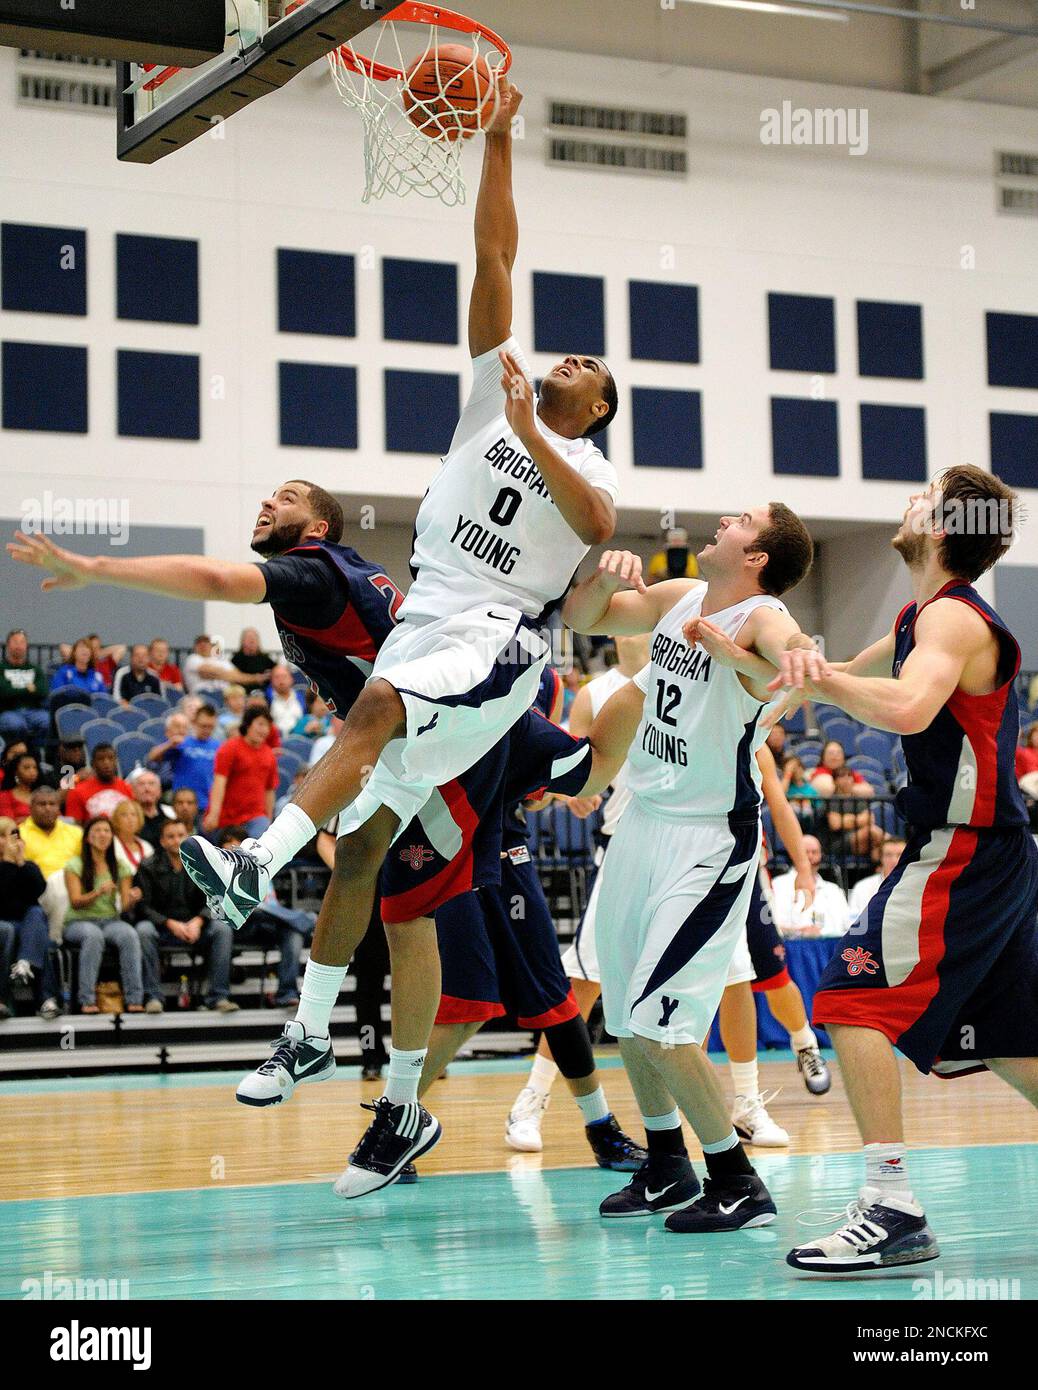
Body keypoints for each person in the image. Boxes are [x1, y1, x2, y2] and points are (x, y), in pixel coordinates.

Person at [782, 465, 1038, 1273]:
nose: (908, 501)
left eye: (924, 495)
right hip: (989, 852)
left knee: (850, 995)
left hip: (961, 850)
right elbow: (841, 677)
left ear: (941, 528)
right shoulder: (917, 617)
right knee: (1008, 1041)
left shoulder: (955, 623)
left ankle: (890, 1204)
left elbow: (905, 706)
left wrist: (814, 676)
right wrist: (753, 674)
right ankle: (891, 1204)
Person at [559, 507, 818, 1233]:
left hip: (708, 839)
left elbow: (787, 647)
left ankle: (738, 1181)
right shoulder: (679, 598)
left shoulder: (762, 613)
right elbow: (586, 615)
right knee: (628, 1021)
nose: (722, 520)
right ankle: (667, 1165)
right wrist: (597, 571)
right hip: (643, 821)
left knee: (664, 1026)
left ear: (758, 556)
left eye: (742, 520)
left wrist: (780, 654)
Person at [403, 669, 645, 1176]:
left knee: (554, 997)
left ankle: (601, 1129)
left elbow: (534, 779)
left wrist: (556, 791)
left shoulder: (544, 678)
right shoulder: (452, 661)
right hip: (447, 844)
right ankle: (395, 1120)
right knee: (467, 1002)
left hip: (507, 845)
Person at [507, 633, 647, 1150]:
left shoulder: (690, 677)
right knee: (584, 979)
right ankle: (532, 1099)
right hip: (622, 845)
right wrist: (572, 796)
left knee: (686, 987)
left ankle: (692, 1117)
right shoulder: (597, 692)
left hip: (685, 847)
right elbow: (568, 771)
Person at [134, 818, 237, 1014]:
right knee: (143, 931)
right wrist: (169, 923)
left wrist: (199, 921)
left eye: (181, 835)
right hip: (163, 927)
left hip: (195, 925)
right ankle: (153, 997)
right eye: (170, 837)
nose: (176, 840)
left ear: (188, 837)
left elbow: (215, 896)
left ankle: (219, 996)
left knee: (222, 929)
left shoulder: (203, 864)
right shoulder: (148, 866)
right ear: (162, 842)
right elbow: (143, 907)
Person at [218, 826, 313, 1008]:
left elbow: (272, 905)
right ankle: (301, 919)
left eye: (237, 844)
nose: (233, 847)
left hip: (267, 923)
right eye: (228, 843)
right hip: (238, 925)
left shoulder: (261, 870)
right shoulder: (218, 870)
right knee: (255, 908)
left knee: (292, 933)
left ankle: (287, 993)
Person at [63, 815, 143, 1014]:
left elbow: (123, 906)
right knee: (93, 936)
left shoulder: (120, 866)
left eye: (106, 831)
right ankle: (87, 999)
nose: (102, 835)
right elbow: (75, 901)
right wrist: (98, 892)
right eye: (97, 831)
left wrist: (132, 899)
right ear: (88, 838)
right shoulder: (75, 865)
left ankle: (134, 998)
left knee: (129, 935)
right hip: (78, 921)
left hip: (109, 920)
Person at [0, 818, 59, 1020]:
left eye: (14, 836)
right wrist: (8, 863)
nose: (10, 842)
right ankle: (46, 1000)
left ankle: (25, 963)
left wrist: (21, 862)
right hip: (4, 922)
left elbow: (37, 891)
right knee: (31, 935)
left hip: (25, 924)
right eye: (4, 836)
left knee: (36, 913)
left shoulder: (27, 866)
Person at [204, 708, 278, 838]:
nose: (264, 730)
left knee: (256, 851)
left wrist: (269, 819)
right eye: (260, 724)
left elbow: (270, 790)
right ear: (248, 724)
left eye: (267, 726)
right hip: (227, 819)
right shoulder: (229, 748)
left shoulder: (269, 755)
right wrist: (214, 814)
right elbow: (219, 783)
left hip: (256, 817)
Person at [769, 834, 852, 937]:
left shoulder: (833, 890)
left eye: (815, 852)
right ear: (794, 854)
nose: (810, 856)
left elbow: (849, 926)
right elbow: (770, 926)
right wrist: (799, 931)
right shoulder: (778, 885)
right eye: (805, 852)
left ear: (821, 855)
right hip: (791, 948)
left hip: (829, 948)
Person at [166, 704, 221, 814]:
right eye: (203, 726)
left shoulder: (219, 747)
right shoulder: (182, 742)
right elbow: (152, 758)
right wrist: (169, 744)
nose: (207, 730)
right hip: (183, 804)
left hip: (207, 804)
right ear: (194, 722)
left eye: (210, 727)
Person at [20, 785, 82, 880]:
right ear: (30, 808)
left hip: (71, 889)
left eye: (52, 804)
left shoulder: (76, 833)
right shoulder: (18, 835)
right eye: (42, 804)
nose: (47, 808)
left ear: (58, 808)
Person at [0, 629, 49, 748]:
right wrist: (28, 688)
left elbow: (43, 691)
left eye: (22, 642)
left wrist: (15, 688)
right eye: (15, 641)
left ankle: (35, 752)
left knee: (46, 720)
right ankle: (14, 753)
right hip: (8, 711)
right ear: (8, 645)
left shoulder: (35, 669)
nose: (18, 645)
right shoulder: (2, 668)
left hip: (33, 711)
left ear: (26, 646)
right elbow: (4, 692)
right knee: (17, 724)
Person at [64, 744, 135, 824]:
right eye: (101, 759)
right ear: (93, 764)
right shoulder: (77, 792)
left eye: (111, 758)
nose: (106, 763)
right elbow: (73, 828)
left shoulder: (127, 788)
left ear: (116, 762)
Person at [826, 764, 884, 861]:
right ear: (835, 781)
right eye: (842, 776)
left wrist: (846, 819)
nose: (847, 779)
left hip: (860, 840)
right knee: (872, 831)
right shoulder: (831, 800)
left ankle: (881, 866)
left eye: (849, 776)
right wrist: (860, 819)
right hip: (838, 842)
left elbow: (870, 819)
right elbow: (836, 824)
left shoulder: (859, 800)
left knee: (877, 848)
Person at [847, 835, 906, 919]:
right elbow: (855, 924)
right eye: (888, 855)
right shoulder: (862, 887)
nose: (894, 860)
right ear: (881, 858)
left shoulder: (916, 887)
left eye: (899, 855)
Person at [129, 769, 176, 850]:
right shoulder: (128, 817)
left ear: (159, 791)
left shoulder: (171, 813)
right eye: (141, 784)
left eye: (151, 784)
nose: (147, 789)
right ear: (133, 791)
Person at [807, 739, 873, 798]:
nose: (835, 756)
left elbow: (868, 792)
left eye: (838, 752)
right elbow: (826, 789)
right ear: (823, 759)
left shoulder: (849, 773)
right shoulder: (819, 772)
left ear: (843, 758)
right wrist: (846, 786)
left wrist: (845, 787)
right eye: (831, 753)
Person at [147, 711, 189, 789]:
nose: (181, 731)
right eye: (177, 726)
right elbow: (151, 758)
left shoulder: (192, 749)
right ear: (167, 731)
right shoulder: (161, 748)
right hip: (165, 789)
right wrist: (170, 744)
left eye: (185, 727)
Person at [0, 750, 41, 823]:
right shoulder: (5, 796)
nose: (32, 771)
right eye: (26, 768)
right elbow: (8, 824)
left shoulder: (42, 795)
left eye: (35, 767)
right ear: (16, 772)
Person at [268, 664, 306, 738]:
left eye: (284, 676)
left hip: (300, 739)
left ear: (291, 679)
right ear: (271, 680)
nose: (281, 680)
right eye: (277, 677)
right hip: (276, 740)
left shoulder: (302, 698)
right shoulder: (266, 700)